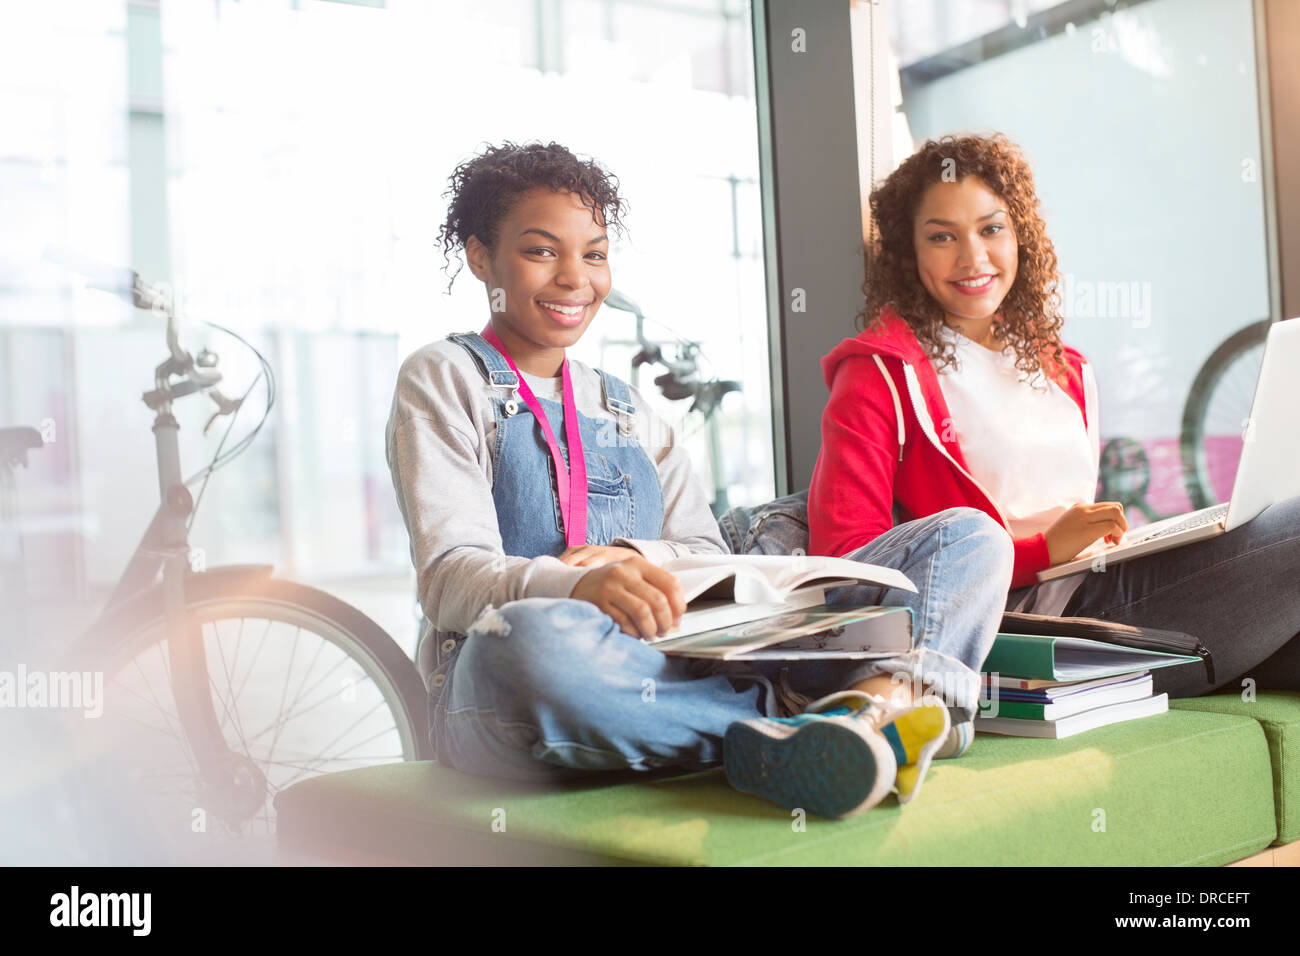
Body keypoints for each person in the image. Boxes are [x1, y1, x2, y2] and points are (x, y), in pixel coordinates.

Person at [385, 141, 1012, 820]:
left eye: (594, 254)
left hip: (665, 663)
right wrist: (576, 585)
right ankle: (844, 712)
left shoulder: (624, 405)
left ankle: (843, 712)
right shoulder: (445, 376)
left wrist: (637, 559)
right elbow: (450, 577)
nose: (575, 278)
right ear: (481, 257)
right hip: (512, 678)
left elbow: (705, 553)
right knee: (533, 647)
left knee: (972, 538)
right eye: (542, 252)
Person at [809, 132, 1300, 706]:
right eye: (942, 237)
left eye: (991, 228)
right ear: (906, 252)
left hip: (1102, 588)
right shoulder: (879, 374)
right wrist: (1041, 551)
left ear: (1020, 234)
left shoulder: (1064, 368)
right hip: (1023, 628)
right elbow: (849, 568)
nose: (973, 258)